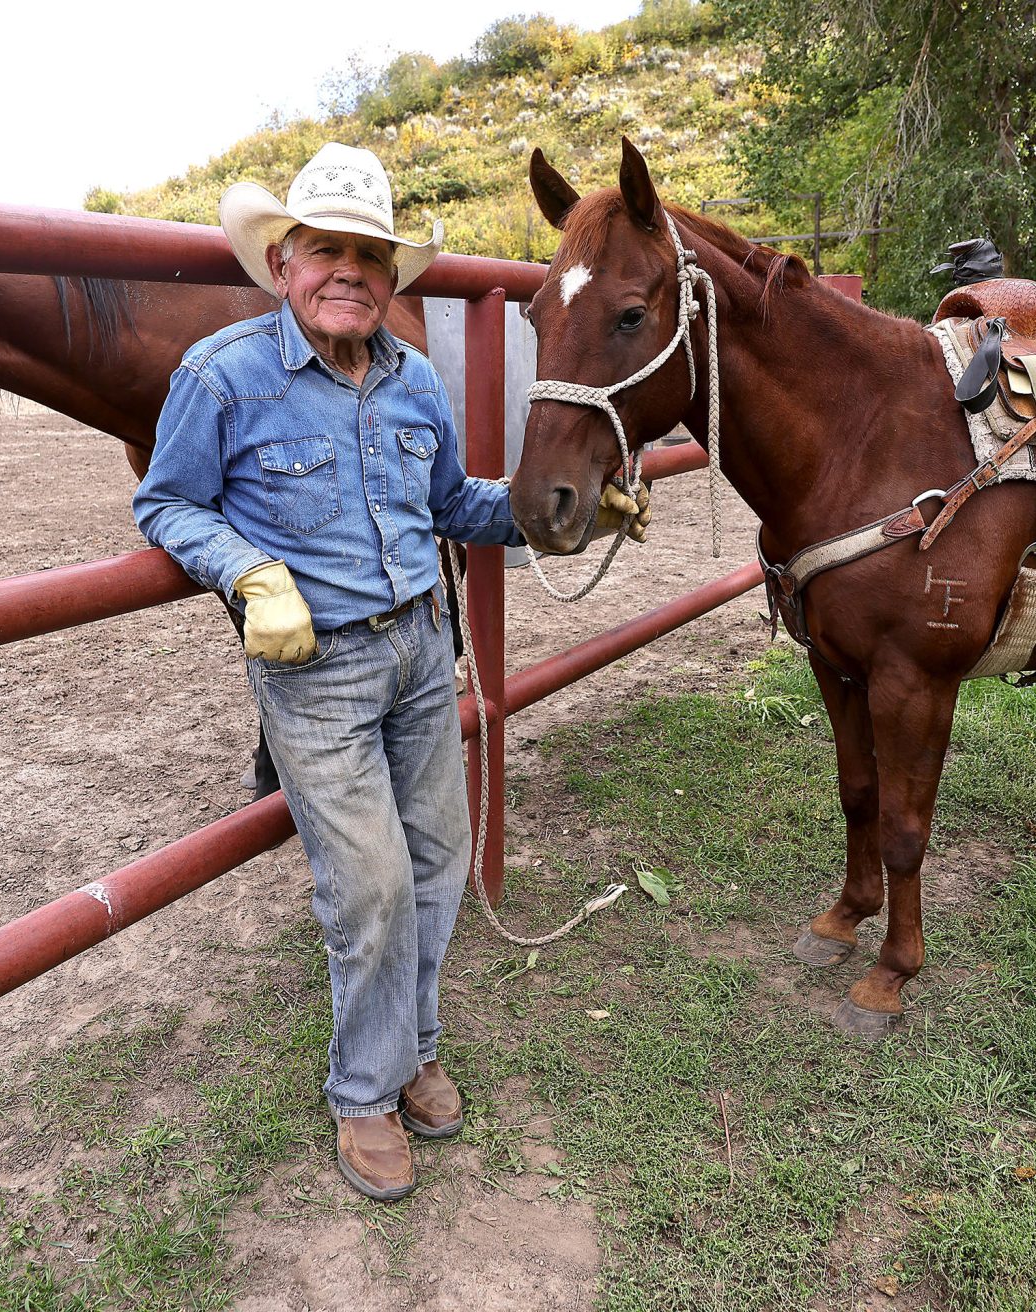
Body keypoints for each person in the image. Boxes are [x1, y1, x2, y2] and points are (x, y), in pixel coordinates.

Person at [133, 143, 647, 1202]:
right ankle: (363, 1092)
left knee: (434, 860)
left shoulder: (412, 378)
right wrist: (246, 571)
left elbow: (449, 502)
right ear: (282, 263)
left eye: (369, 256)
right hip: (312, 665)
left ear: (390, 274)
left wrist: (556, 513)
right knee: (365, 884)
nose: (348, 273)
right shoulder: (222, 375)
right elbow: (167, 504)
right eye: (325, 250)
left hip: (420, 646)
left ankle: (412, 1045)